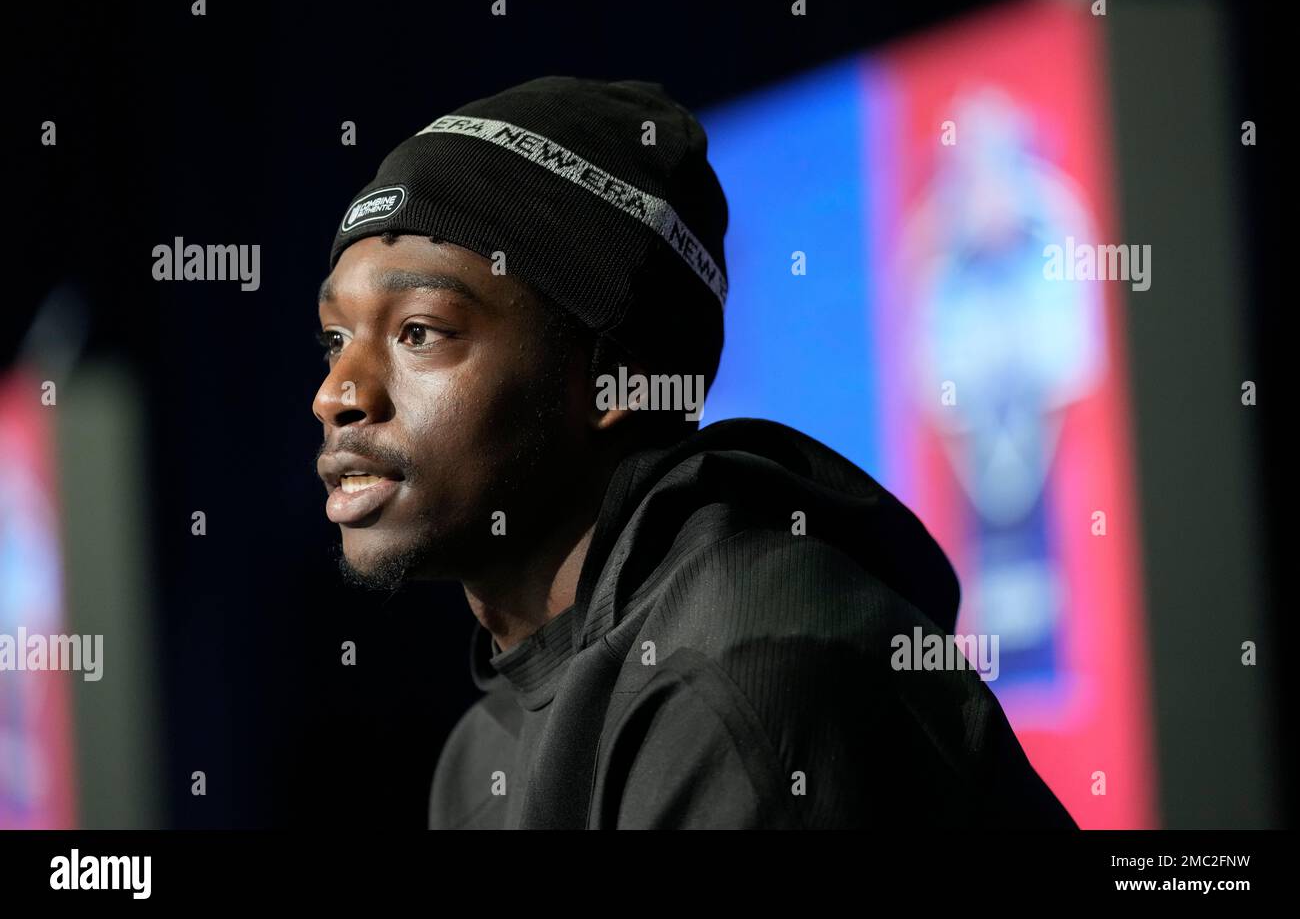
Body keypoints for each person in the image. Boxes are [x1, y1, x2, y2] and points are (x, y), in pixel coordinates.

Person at [312, 76, 1078, 829]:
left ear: (615, 381)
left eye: (419, 332)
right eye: (336, 340)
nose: (338, 394)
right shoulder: (479, 759)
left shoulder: (744, 677)